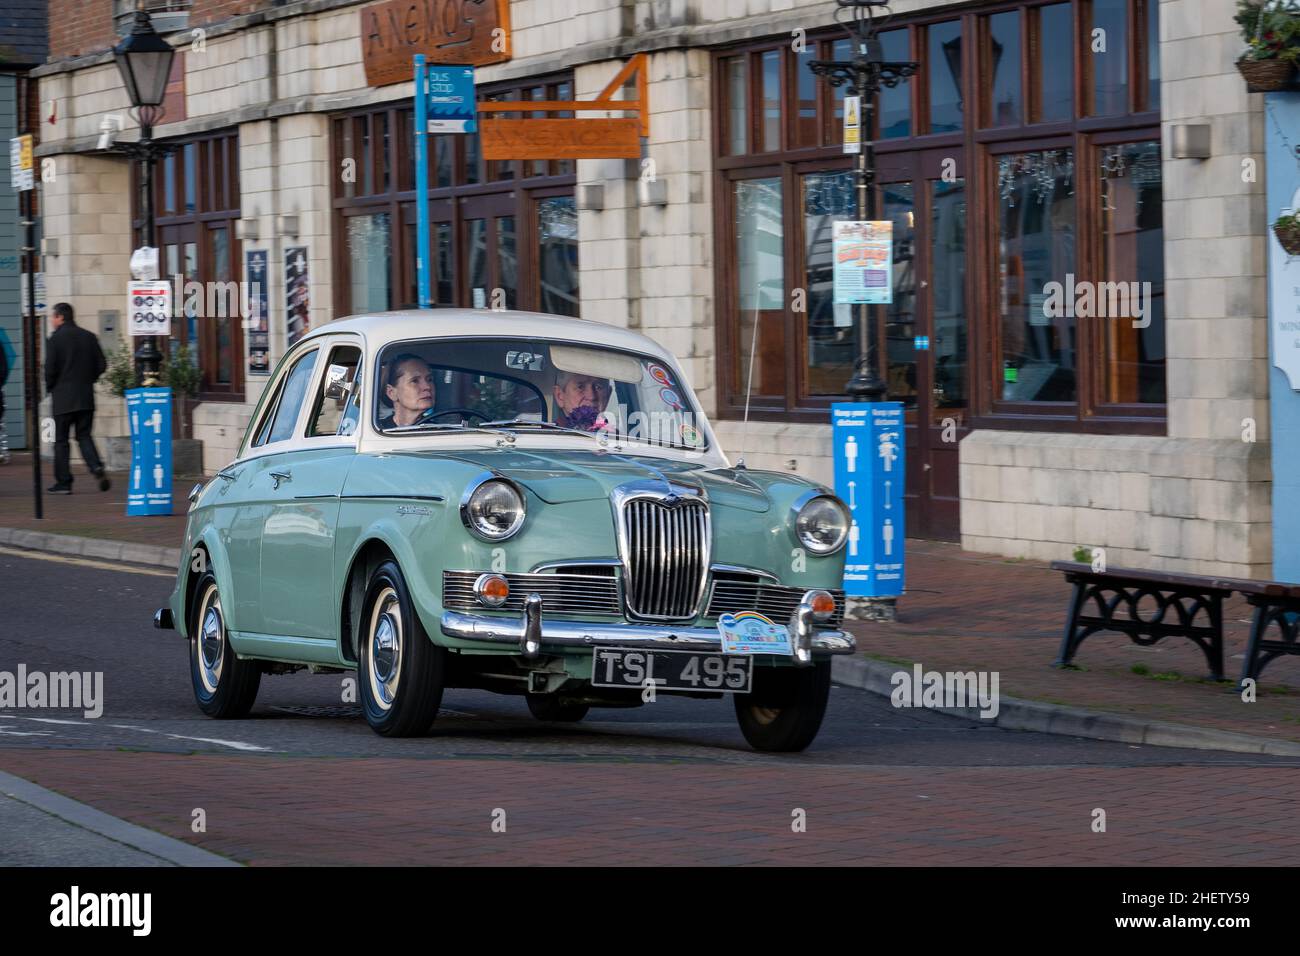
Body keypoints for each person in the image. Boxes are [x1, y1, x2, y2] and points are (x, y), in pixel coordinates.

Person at [44, 302, 110, 493]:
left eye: (53, 316)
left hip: (63, 398)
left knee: (61, 441)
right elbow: (102, 364)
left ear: (60, 317)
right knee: (84, 435)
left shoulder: (55, 340)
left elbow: (50, 369)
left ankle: (64, 482)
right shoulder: (88, 337)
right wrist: (89, 380)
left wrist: (51, 388)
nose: (51, 320)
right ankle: (96, 466)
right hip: (85, 396)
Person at [378, 354, 436, 429]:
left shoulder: (440, 433)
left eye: (429, 379)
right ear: (391, 393)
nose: (427, 387)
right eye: (415, 381)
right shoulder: (377, 432)